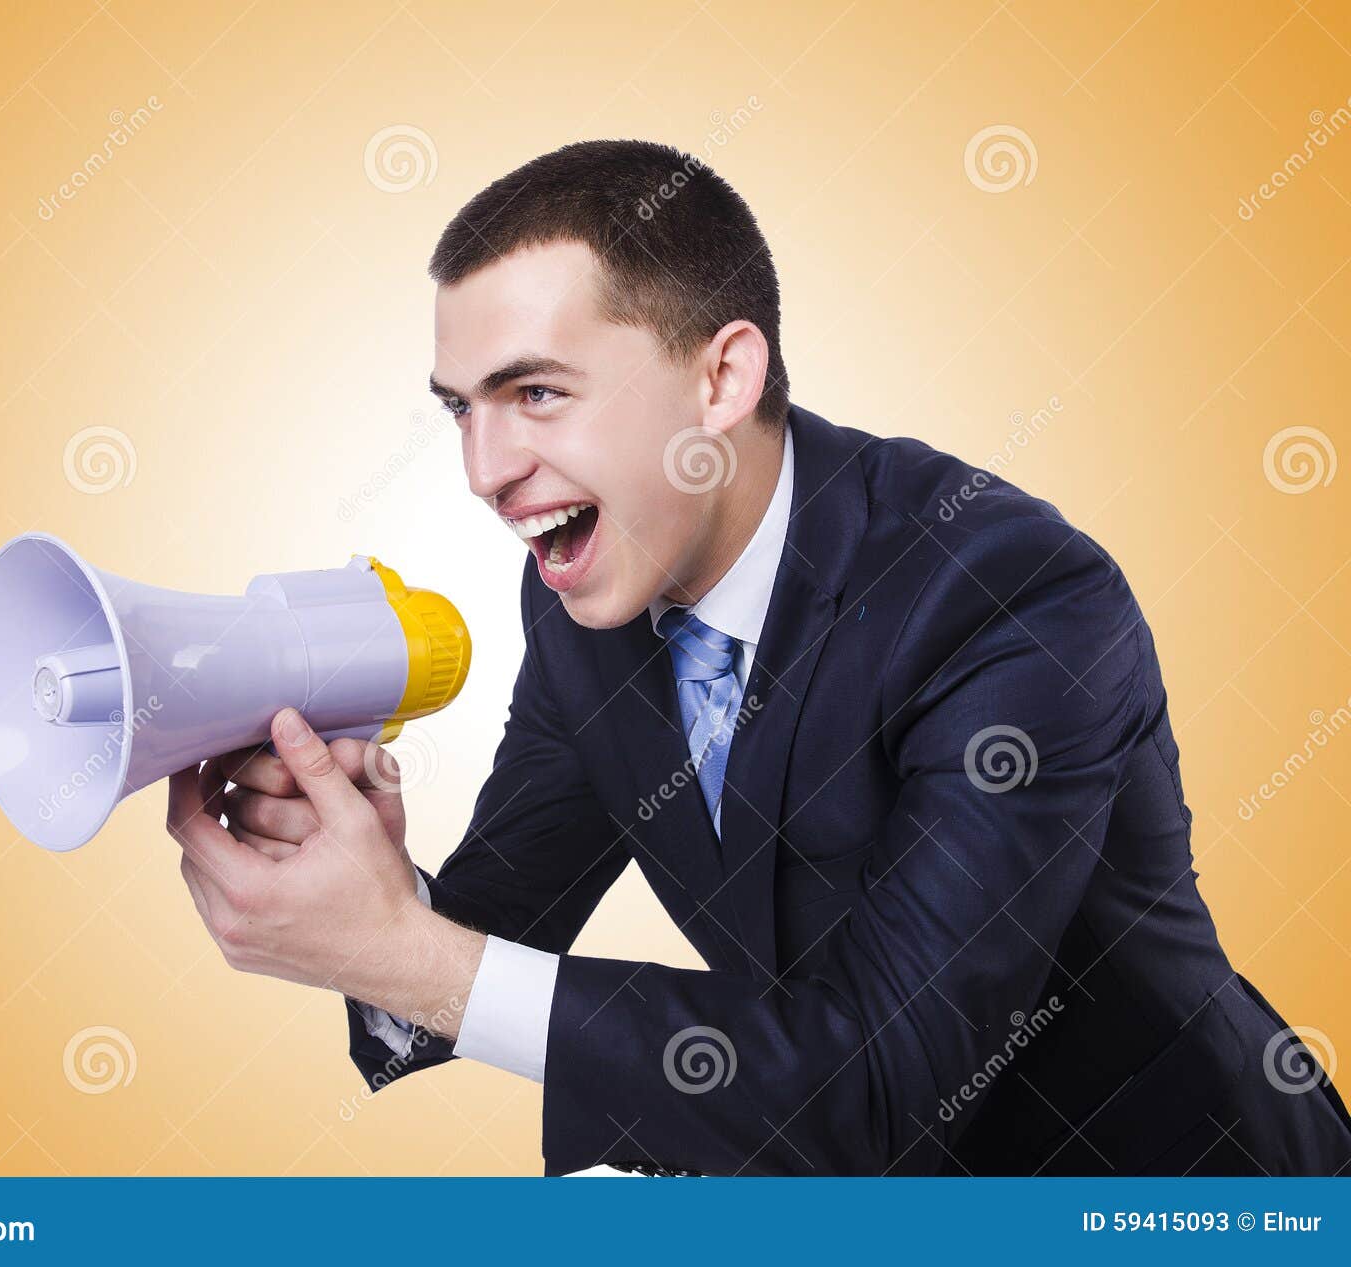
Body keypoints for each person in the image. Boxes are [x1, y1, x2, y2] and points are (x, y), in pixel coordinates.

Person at [166, 140, 1351, 1175]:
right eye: (461, 408)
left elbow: (884, 1081)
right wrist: (373, 892)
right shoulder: (586, 607)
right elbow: (481, 942)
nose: (482, 469)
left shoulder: (1008, 597)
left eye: (535, 392)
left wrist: (416, 956)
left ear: (720, 376)